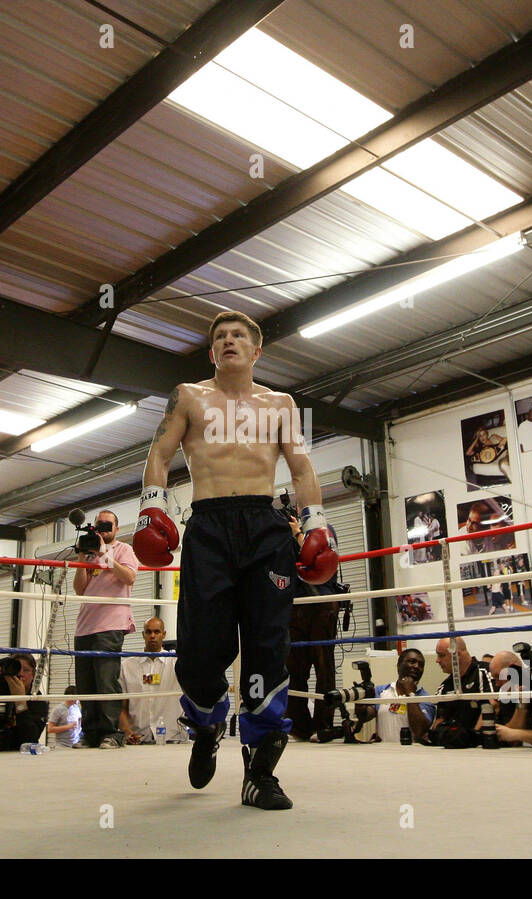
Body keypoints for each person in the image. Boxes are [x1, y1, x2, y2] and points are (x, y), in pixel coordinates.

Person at [133, 310, 338, 810]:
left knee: (270, 646)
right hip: (207, 528)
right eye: (220, 336)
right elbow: (159, 454)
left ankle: (260, 770)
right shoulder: (188, 395)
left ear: (255, 351)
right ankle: (206, 724)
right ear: (211, 352)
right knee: (202, 650)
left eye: (238, 336)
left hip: (266, 525)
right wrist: (150, 510)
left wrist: (315, 525)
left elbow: (301, 464)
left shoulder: (281, 403)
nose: (229, 341)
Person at [72, 510, 140, 748]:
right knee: (86, 683)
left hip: (111, 624)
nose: (102, 529)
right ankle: (90, 733)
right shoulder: (89, 553)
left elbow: (129, 577)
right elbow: (80, 590)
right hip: (85, 625)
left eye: (107, 525)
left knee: (106, 679)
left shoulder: (124, 550)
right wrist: (82, 559)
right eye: (99, 525)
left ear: (117, 528)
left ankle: (112, 732)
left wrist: (105, 553)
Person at [284, 516, 340, 741]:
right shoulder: (284, 533)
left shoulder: (325, 529)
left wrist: (298, 535)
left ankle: (323, 725)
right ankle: (299, 726)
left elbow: (318, 562)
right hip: (296, 605)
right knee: (295, 668)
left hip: (322, 603)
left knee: (323, 666)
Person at [119, 616, 188, 744]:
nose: (152, 636)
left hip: (173, 739)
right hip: (138, 741)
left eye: (156, 632)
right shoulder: (127, 666)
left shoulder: (177, 664)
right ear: (143, 635)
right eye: (148, 632)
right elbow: (121, 707)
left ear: (164, 634)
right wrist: (127, 732)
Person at [353, 649, 435, 744]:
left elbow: (420, 731)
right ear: (399, 665)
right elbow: (366, 715)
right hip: (385, 754)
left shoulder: (426, 698)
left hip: (413, 756)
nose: (416, 666)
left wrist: (410, 694)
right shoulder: (381, 691)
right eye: (412, 662)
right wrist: (359, 703)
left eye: (421, 665)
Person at [426, 637, 493, 748]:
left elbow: (492, 705)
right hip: (454, 749)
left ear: (457, 655)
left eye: (441, 655)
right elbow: (438, 722)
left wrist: (472, 737)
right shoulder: (444, 686)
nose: (437, 660)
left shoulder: (483, 672)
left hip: (483, 746)